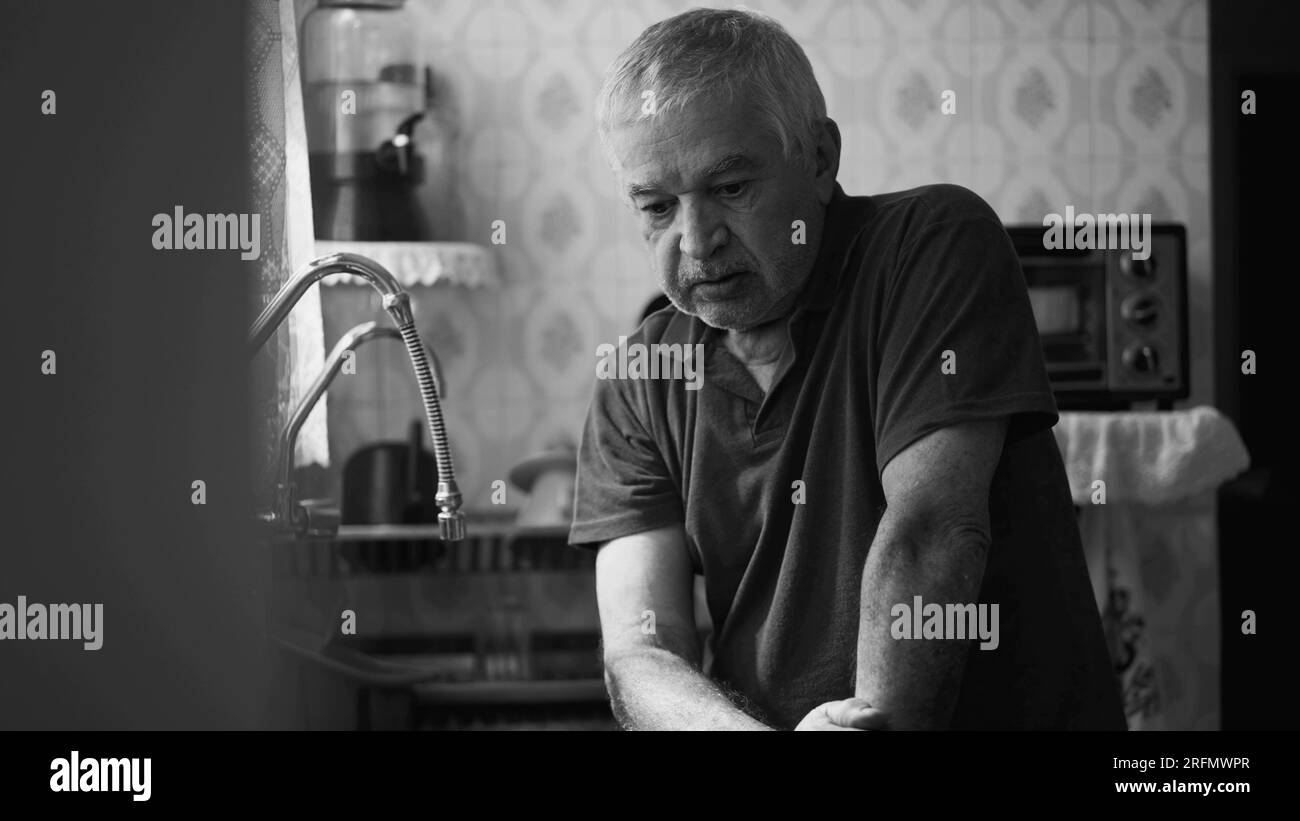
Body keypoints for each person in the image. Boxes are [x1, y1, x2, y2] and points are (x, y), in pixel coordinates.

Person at [568, 8, 1125, 731]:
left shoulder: (931, 246)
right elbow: (642, 648)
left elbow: (931, 527)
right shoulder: (639, 376)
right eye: (657, 206)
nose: (696, 242)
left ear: (821, 159)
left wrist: (871, 719)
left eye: (732, 188)